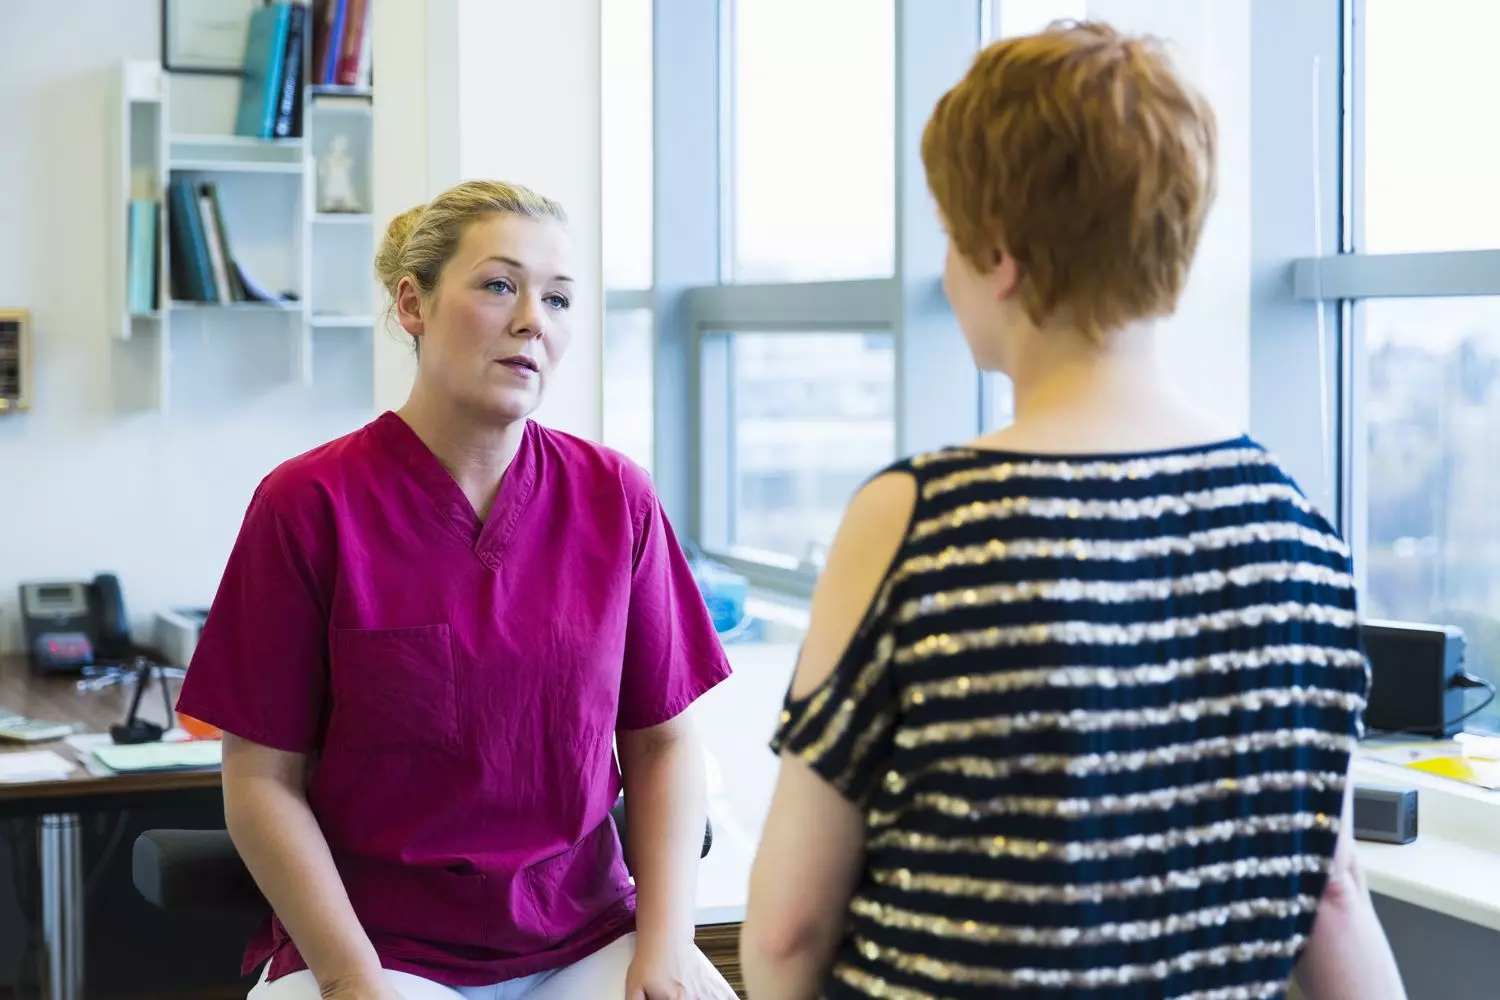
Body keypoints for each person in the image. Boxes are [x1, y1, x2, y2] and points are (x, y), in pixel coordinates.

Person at [741, 21, 1408, 1000]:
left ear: (1000, 253)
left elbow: (791, 928)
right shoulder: (1299, 533)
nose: (945, 273)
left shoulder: (919, 520)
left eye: (949, 238)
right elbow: (1336, 896)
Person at [176, 180, 739, 1000]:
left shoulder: (618, 498)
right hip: (379, 950)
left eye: (558, 299)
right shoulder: (308, 506)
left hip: (582, 935)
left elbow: (663, 743)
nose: (532, 322)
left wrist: (667, 944)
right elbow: (260, 781)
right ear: (413, 304)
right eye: (499, 285)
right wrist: (347, 977)